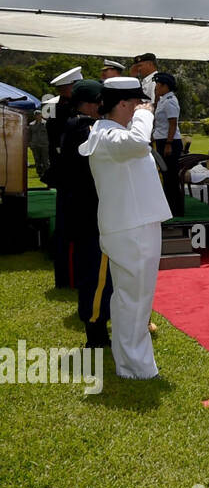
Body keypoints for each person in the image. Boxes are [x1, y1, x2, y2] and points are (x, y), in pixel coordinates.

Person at [79, 76, 171, 379]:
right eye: (136, 104)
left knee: (132, 298)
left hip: (134, 224)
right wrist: (146, 114)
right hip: (131, 227)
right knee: (134, 299)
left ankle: (133, 362)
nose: (139, 110)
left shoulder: (111, 133)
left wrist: (142, 114)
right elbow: (137, 142)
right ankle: (135, 367)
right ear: (123, 104)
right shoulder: (109, 135)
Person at [52, 79, 112, 347]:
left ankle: (94, 323)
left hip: (85, 211)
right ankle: (95, 333)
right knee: (97, 276)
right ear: (92, 104)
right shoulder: (82, 127)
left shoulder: (74, 123)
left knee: (95, 273)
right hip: (90, 214)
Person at [47, 65, 82, 289]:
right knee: (72, 229)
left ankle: (66, 276)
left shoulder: (57, 110)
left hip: (64, 176)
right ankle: (71, 276)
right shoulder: (68, 114)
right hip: (72, 177)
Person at [151, 72, 183, 217]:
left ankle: (176, 209)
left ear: (165, 86)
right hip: (163, 140)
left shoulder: (170, 101)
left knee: (171, 177)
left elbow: (172, 124)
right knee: (166, 175)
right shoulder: (163, 100)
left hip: (169, 141)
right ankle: (170, 207)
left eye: (158, 85)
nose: (156, 87)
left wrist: (169, 144)